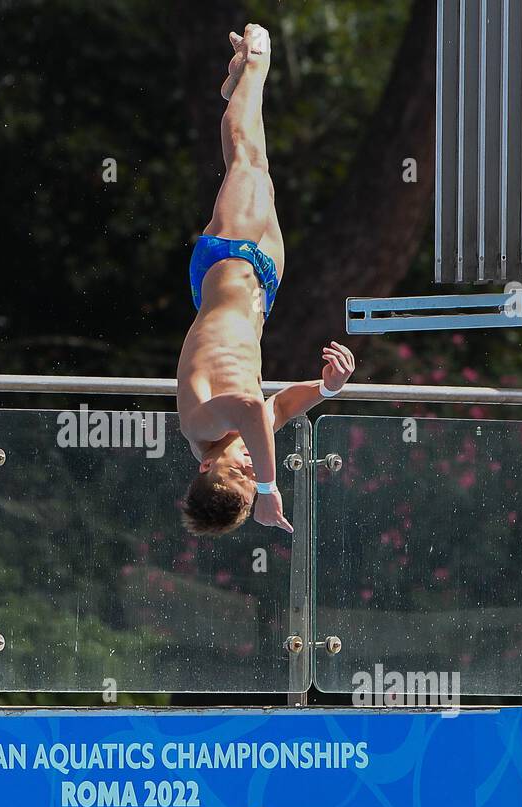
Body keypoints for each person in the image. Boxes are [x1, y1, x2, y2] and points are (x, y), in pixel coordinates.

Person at [177, 23, 356, 537]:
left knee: (246, 158)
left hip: (228, 265)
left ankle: (252, 63)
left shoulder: (203, 427)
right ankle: (240, 85)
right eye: (251, 477)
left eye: (240, 475)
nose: (251, 470)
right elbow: (280, 406)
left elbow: (255, 406)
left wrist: (269, 489)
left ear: (206, 466)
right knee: (259, 165)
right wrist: (327, 388)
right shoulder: (245, 439)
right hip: (263, 285)